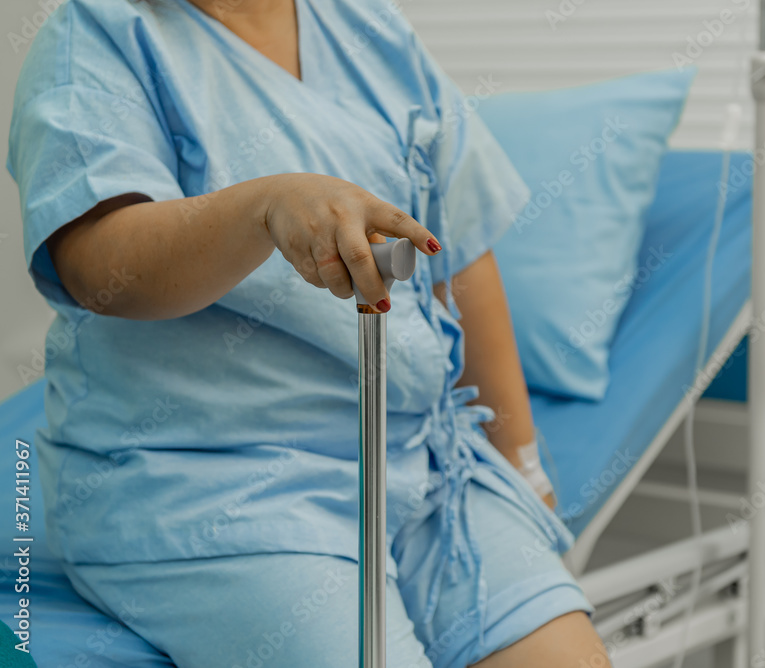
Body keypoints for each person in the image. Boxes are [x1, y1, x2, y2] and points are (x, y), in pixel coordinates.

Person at [6, 0, 611, 666]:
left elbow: (458, 250)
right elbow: (100, 267)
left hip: (424, 469)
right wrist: (261, 208)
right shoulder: (97, 36)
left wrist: (524, 470)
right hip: (217, 487)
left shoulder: (368, 27)